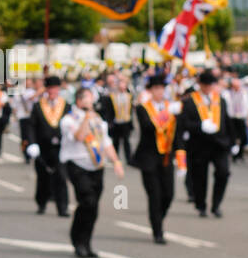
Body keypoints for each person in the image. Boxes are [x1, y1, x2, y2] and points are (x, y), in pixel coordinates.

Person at [60, 87, 123, 258]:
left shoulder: (98, 120)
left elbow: (106, 142)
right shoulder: (69, 119)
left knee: (93, 207)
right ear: (79, 101)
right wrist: (87, 116)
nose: (91, 101)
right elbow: (79, 137)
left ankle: (86, 242)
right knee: (87, 200)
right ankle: (77, 239)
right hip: (76, 165)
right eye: (87, 98)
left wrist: (116, 161)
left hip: (97, 167)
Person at [178, 70, 231, 218]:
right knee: (199, 177)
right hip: (199, 144)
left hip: (219, 144)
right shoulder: (189, 101)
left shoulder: (220, 100)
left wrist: (233, 142)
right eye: (205, 85)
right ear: (200, 85)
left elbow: (227, 121)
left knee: (223, 172)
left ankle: (216, 204)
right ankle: (201, 204)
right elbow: (184, 123)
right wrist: (200, 126)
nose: (208, 88)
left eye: (211, 85)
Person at [131, 74, 177, 244]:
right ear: (150, 91)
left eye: (162, 88)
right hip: (148, 158)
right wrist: (167, 114)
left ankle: (158, 217)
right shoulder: (143, 108)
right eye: (156, 88)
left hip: (166, 157)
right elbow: (148, 127)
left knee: (169, 194)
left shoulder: (170, 107)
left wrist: (181, 159)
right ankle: (157, 230)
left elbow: (176, 134)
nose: (160, 92)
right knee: (154, 195)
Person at [25, 75, 69, 216]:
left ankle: (62, 207)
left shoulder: (66, 106)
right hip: (42, 148)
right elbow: (31, 126)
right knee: (43, 176)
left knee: (61, 177)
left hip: (61, 148)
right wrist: (32, 144)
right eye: (49, 89)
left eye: (55, 89)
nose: (52, 92)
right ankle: (41, 203)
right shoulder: (38, 106)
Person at [97, 73, 135, 163]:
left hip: (126, 122)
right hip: (116, 122)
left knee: (126, 141)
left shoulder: (129, 95)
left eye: (124, 84)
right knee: (116, 141)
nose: (122, 86)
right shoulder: (112, 96)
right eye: (120, 84)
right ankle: (115, 158)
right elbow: (108, 109)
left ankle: (129, 159)